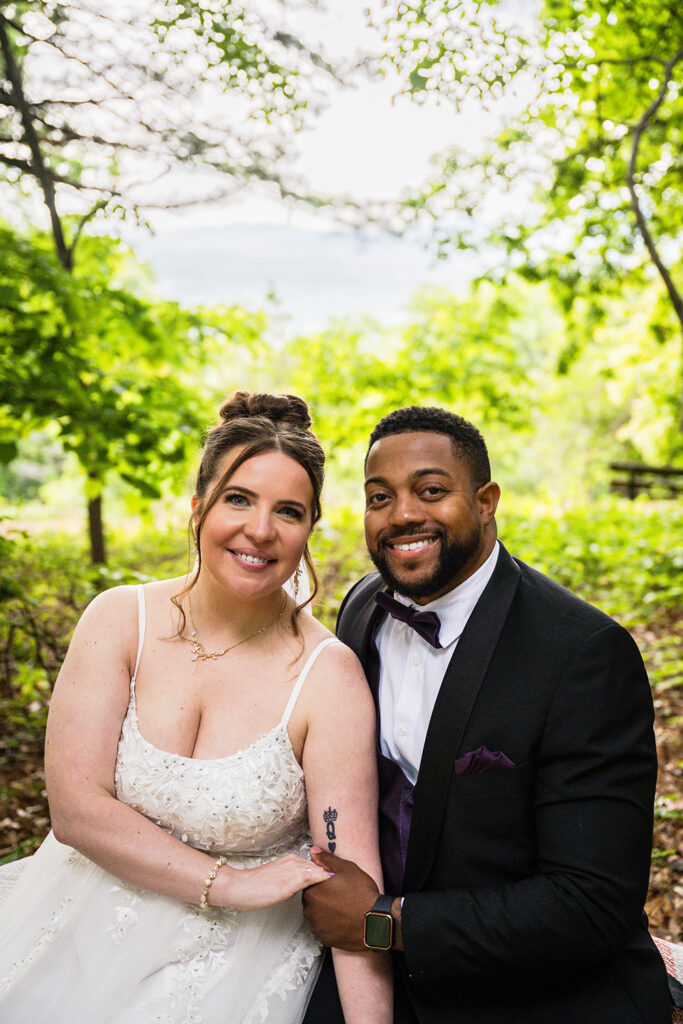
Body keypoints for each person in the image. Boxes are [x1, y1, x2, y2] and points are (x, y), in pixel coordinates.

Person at [0, 391, 392, 1024]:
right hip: (75, 919)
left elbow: (351, 885)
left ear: (310, 530)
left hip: (234, 966)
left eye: (288, 511)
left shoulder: (328, 677)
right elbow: (75, 808)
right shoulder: (119, 619)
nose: (260, 530)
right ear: (198, 506)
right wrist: (230, 883)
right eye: (238, 498)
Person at [302, 405, 672, 1024]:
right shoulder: (364, 608)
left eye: (431, 490)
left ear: (486, 501)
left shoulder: (581, 654)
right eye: (378, 497)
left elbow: (592, 903)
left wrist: (385, 924)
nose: (402, 515)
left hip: (533, 994)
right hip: (377, 980)